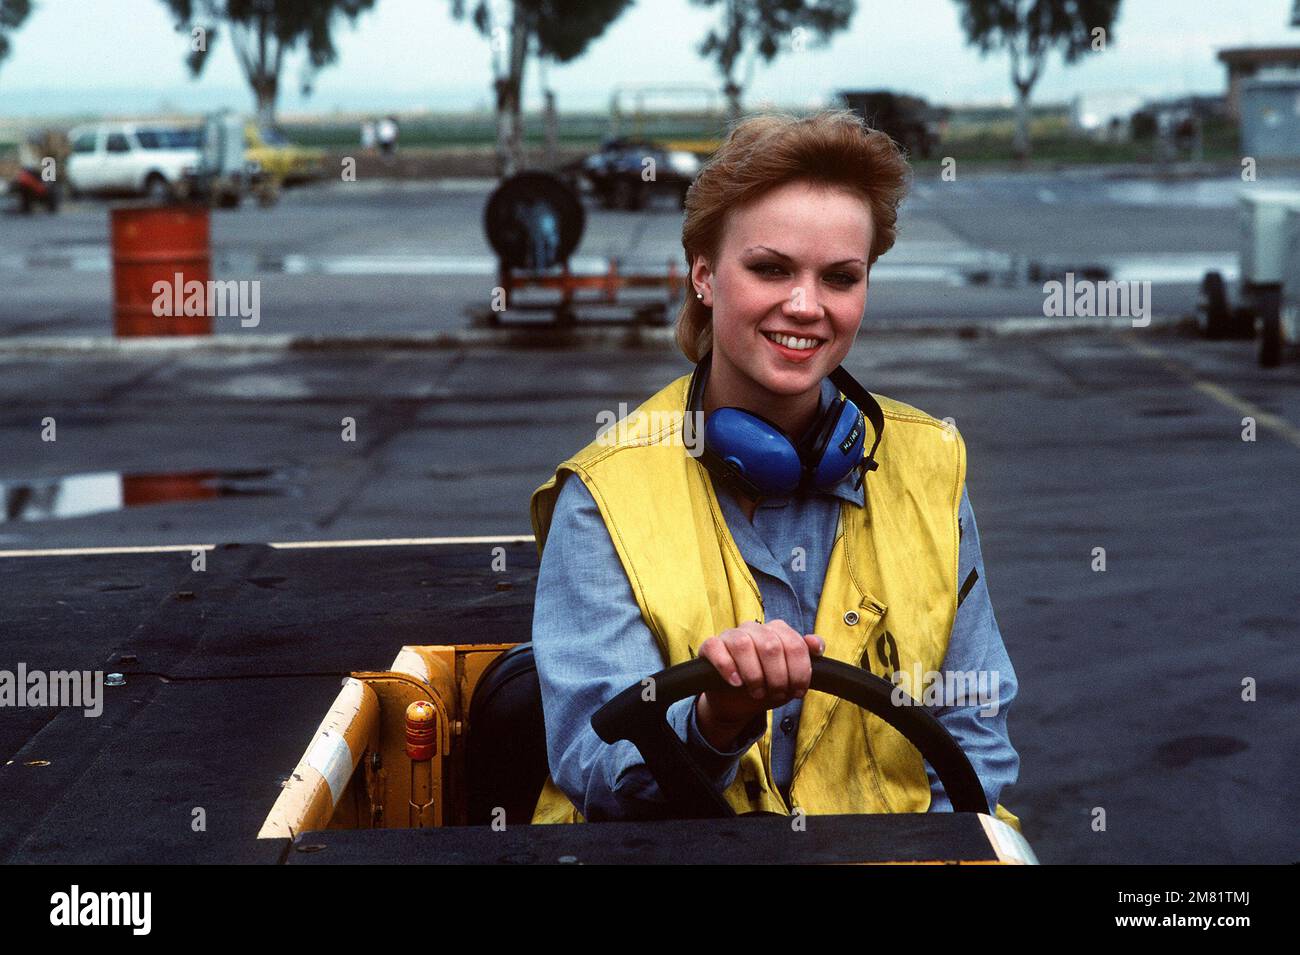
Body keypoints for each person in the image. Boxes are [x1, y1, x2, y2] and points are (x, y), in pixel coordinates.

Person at [528, 108, 1022, 832]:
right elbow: (598, 775)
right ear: (703, 274)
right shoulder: (605, 495)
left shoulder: (930, 465)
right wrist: (712, 722)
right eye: (770, 268)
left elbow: (974, 732)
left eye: (841, 277)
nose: (806, 305)